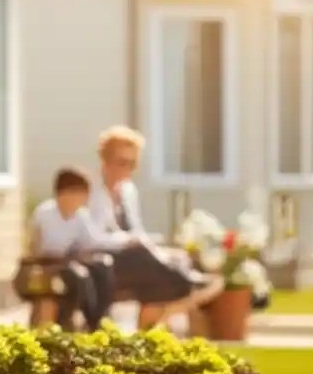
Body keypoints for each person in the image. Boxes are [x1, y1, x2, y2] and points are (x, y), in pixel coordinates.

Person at [85, 126, 224, 334]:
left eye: (133, 164)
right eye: (122, 162)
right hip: (106, 260)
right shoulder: (92, 193)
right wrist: (127, 241)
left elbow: (137, 231)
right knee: (148, 262)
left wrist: (155, 249)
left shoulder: (128, 191)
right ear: (105, 160)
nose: (127, 170)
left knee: (174, 260)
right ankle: (186, 281)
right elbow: (92, 238)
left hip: (134, 258)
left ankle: (150, 327)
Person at [26, 167, 116, 330]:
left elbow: (92, 241)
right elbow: (38, 246)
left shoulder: (80, 216)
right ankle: (84, 320)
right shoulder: (45, 213)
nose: (85, 199)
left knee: (103, 265)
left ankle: (99, 319)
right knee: (79, 276)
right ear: (67, 193)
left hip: (70, 260)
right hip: (47, 264)